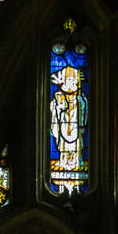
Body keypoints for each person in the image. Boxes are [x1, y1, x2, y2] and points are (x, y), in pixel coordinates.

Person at [49, 63, 87, 191]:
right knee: (64, 143)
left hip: (75, 124)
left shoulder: (79, 96)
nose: (71, 82)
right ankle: (64, 160)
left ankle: (76, 160)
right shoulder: (58, 95)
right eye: (68, 79)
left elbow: (84, 110)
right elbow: (54, 109)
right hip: (63, 125)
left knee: (76, 142)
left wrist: (80, 103)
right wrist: (58, 108)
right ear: (64, 80)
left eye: (73, 79)